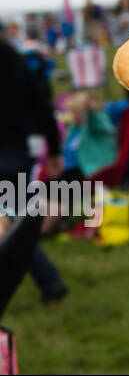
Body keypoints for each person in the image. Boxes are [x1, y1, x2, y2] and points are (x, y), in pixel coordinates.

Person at [0, 32, 68, 304]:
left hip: (11, 153)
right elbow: (41, 108)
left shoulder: (13, 61)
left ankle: (50, 281)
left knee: (15, 224)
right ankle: (50, 282)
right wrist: (54, 149)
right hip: (16, 154)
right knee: (16, 223)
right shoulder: (14, 61)